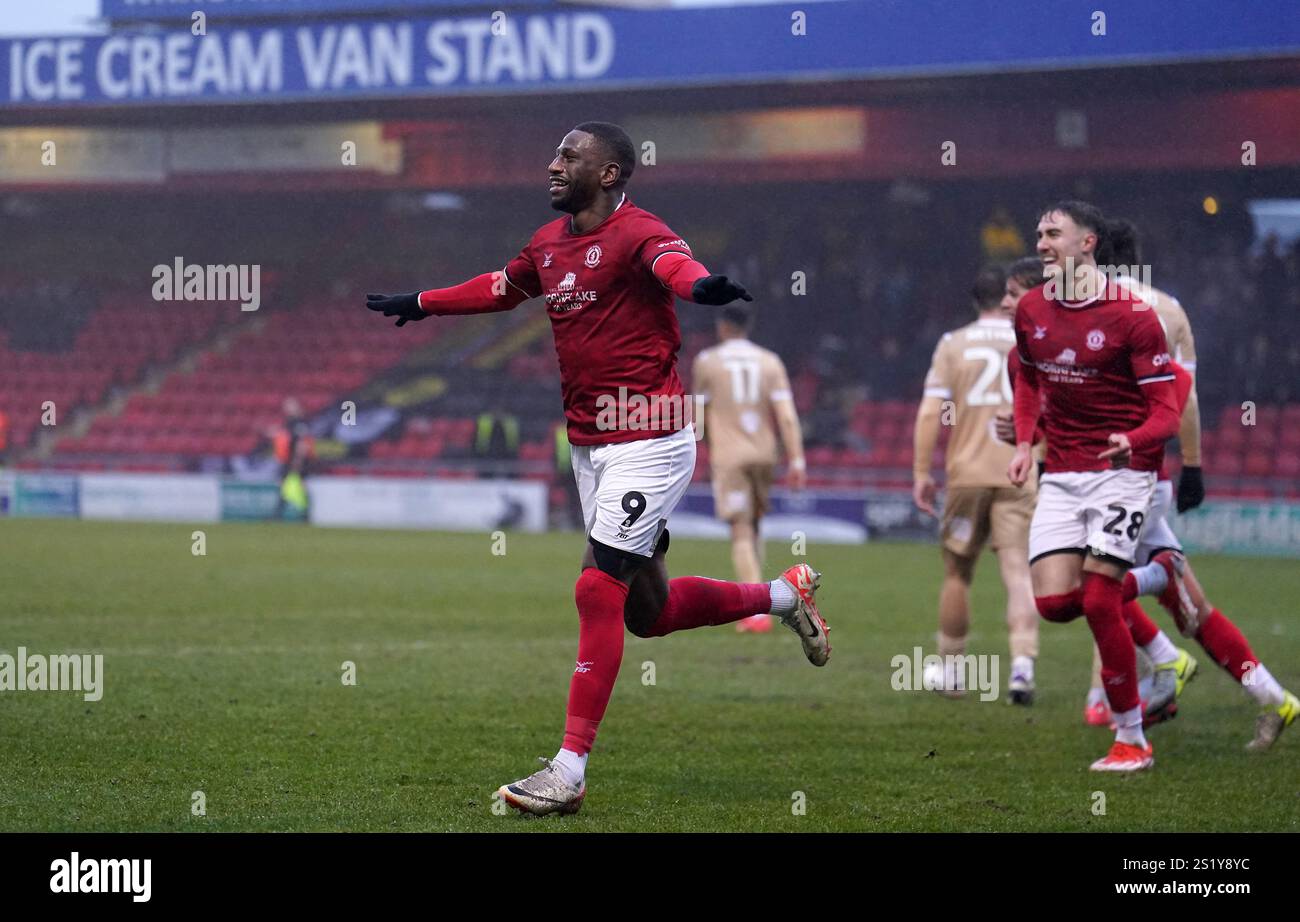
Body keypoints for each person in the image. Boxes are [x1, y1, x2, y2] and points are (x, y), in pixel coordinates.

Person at [364, 122, 831, 815]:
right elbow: (501, 287)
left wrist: (703, 288)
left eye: (569, 157)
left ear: (609, 174)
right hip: (591, 444)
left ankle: (568, 770)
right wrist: (423, 303)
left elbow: (676, 268)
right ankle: (786, 596)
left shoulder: (642, 232)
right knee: (651, 612)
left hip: (652, 437)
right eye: (554, 154)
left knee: (595, 588)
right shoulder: (548, 245)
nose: (553, 166)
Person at [1090, 219, 1297, 750]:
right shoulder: (1171, 307)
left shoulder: (1091, 308)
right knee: (1190, 609)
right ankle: (1273, 698)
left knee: (1087, 586)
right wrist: (1195, 466)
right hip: (1151, 471)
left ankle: (1162, 673)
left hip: (1112, 473)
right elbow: (1184, 395)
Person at [1008, 200, 1182, 772]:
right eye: (1038, 233)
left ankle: (1131, 738)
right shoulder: (1031, 308)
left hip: (1121, 472)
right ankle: (1159, 575)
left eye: (1053, 232)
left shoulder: (1133, 316)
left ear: (1087, 243)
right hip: (1060, 473)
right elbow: (1030, 382)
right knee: (1057, 603)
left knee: (1102, 599)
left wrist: (1134, 440)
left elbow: (1167, 412)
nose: (1041, 242)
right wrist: (1022, 444)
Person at [911, 265, 1038, 703]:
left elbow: (931, 412)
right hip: (1018, 468)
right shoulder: (1031, 338)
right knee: (1018, 571)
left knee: (957, 574)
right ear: (1005, 298)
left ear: (973, 300)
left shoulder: (953, 344)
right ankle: (1022, 668)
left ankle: (951, 671)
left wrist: (922, 473)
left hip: (967, 472)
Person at [692, 303, 806, 633]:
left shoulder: (707, 361)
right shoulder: (769, 361)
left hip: (731, 455)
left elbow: (696, 415)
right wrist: (797, 459)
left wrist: (705, 448)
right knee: (755, 523)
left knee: (740, 529)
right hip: (764, 453)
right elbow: (786, 415)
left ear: (722, 326)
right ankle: (763, 597)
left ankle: (756, 611)